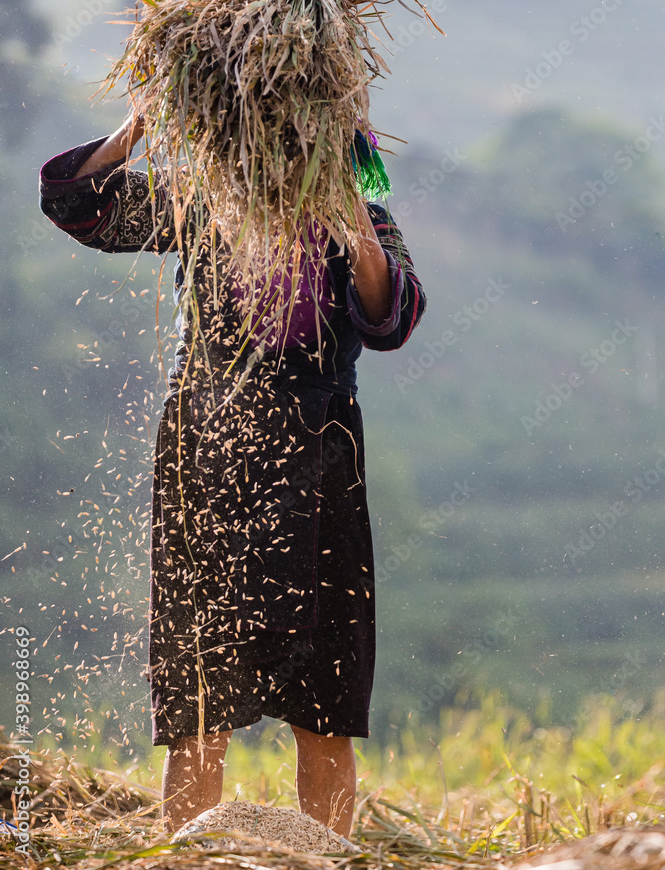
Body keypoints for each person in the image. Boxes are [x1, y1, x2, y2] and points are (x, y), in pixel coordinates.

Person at [40, 110, 426, 836]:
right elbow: (75, 201)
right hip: (206, 445)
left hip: (319, 453)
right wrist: (141, 124)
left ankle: (328, 855)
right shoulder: (203, 204)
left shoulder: (363, 222)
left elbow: (390, 321)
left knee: (327, 693)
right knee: (198, 694)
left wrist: (351, 222)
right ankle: (191, 852)